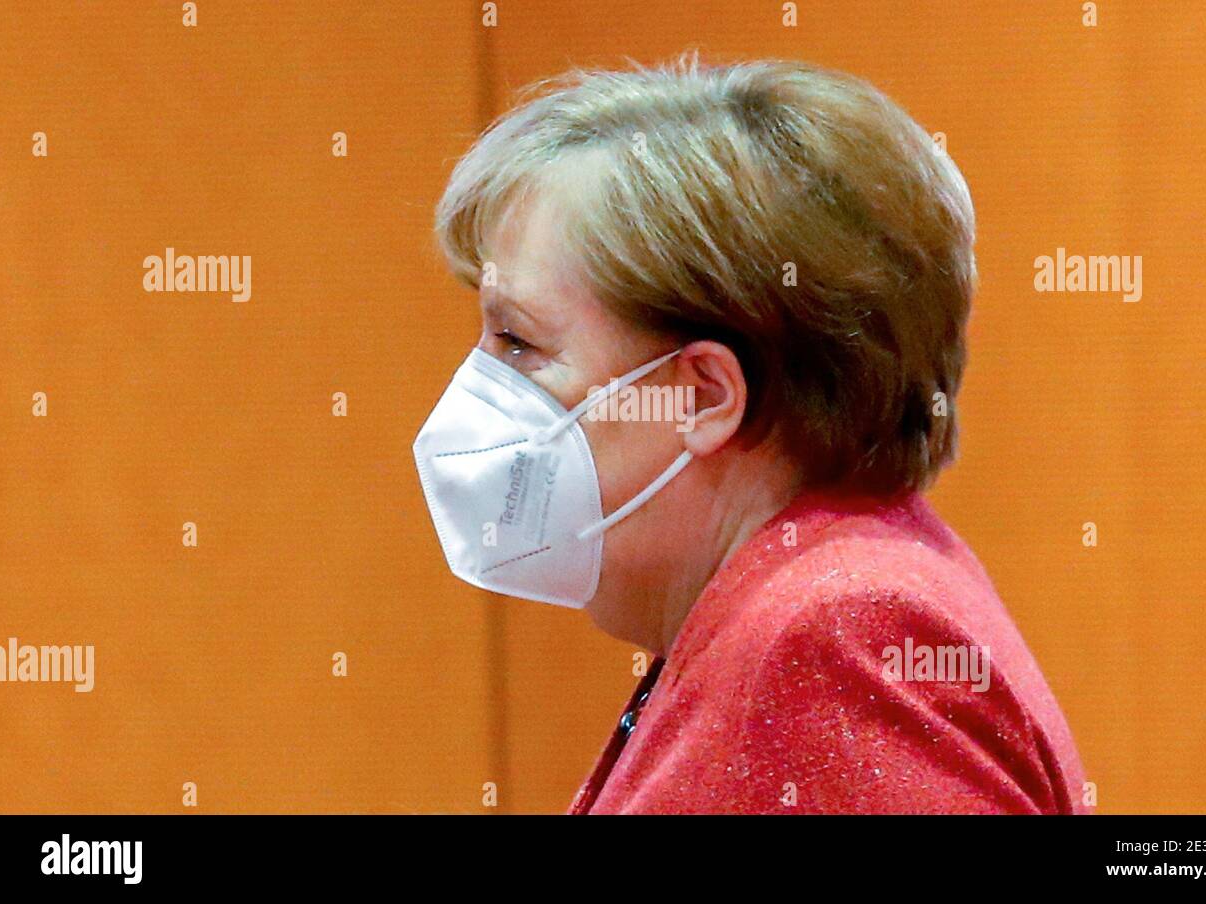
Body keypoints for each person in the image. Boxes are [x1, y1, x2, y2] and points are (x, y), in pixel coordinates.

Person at [413, 55, 1086, 814]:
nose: (479, 387)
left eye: (518, 343)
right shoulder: (789, 605)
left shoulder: (837, 643)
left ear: (701, 397)